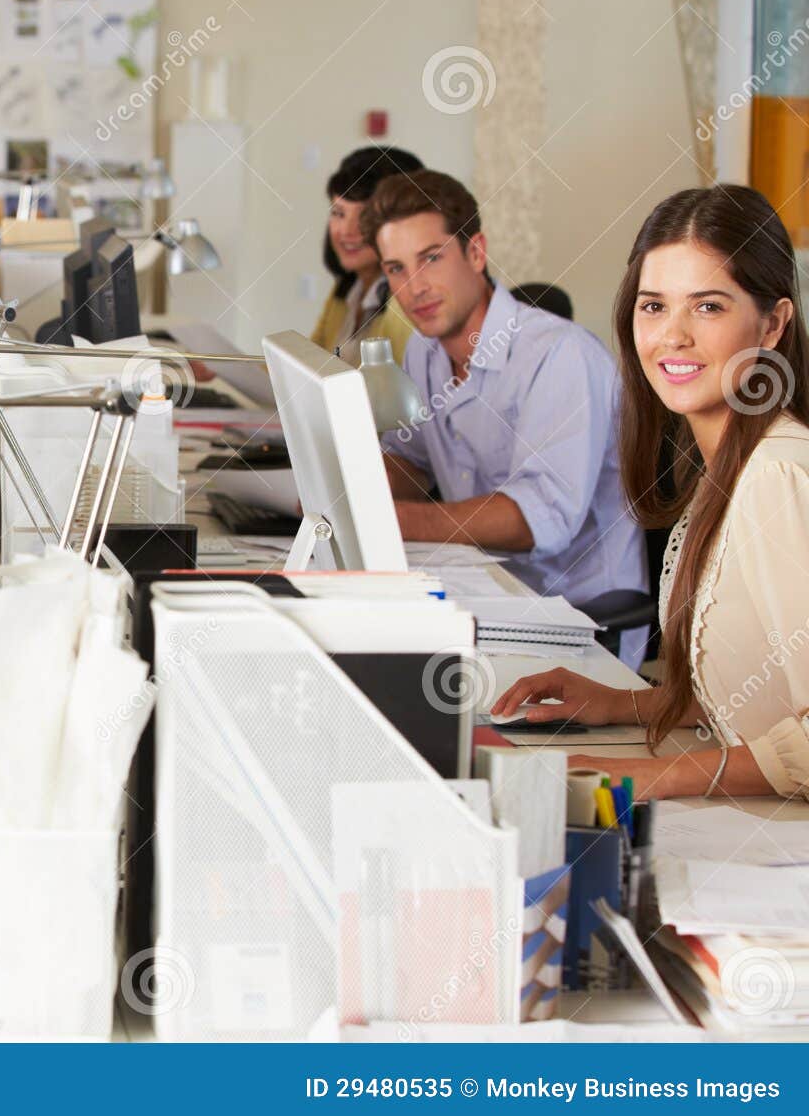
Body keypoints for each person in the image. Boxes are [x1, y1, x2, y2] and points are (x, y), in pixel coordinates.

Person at [495, 185, 809, 802]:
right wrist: (625, 703)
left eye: (709, 307)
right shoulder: (724, 462)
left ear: (772, 324)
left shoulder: (777, 474)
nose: (673, 337)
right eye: (654, 306)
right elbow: (758, 690)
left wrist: (653, 774)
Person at [361, 170, 646, 637]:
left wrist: (399, 520)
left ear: (476, 253)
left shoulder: (560, 355)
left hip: (572, 617)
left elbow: (542, 517)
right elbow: (413, 461)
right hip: (475, 594)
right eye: (396, 268)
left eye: (431, 258)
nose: (414, 287)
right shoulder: (423, 351)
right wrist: (340, 485)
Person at [310, 145, 422, 365]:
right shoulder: (347, 287)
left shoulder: (409, 302)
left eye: (366, 215)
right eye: (338, 213)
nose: (347, 231)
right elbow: (307, 365)